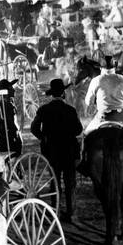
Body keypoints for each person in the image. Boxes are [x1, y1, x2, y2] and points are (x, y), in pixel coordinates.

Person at [31, 78, 84, 221]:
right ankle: (71, 213)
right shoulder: (70, 110)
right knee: (70, 182)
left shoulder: (44, 110)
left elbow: (33, 128)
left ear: (52, 95)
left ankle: (55, 211)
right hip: (69, 152)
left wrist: (44, 137)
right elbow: (78, 130)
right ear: (63, 94)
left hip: (51, 151)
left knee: (55, 181)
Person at [83, 52, 123, 159]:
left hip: (102, 116)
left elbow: (88, 101)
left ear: (101, 68)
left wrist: (98, 103)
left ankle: (85, 162)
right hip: (122, 115)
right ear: (115, 67)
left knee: (86, 135)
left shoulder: (95, 80)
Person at [0, 78, 23, 155]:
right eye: (11, 88)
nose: (14, 90)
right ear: (6, 91)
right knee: (13, 158)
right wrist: (16, 136)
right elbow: (10, 123)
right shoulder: (4, 105)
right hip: (9, 139)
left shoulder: (6, 102)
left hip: (6, 137)